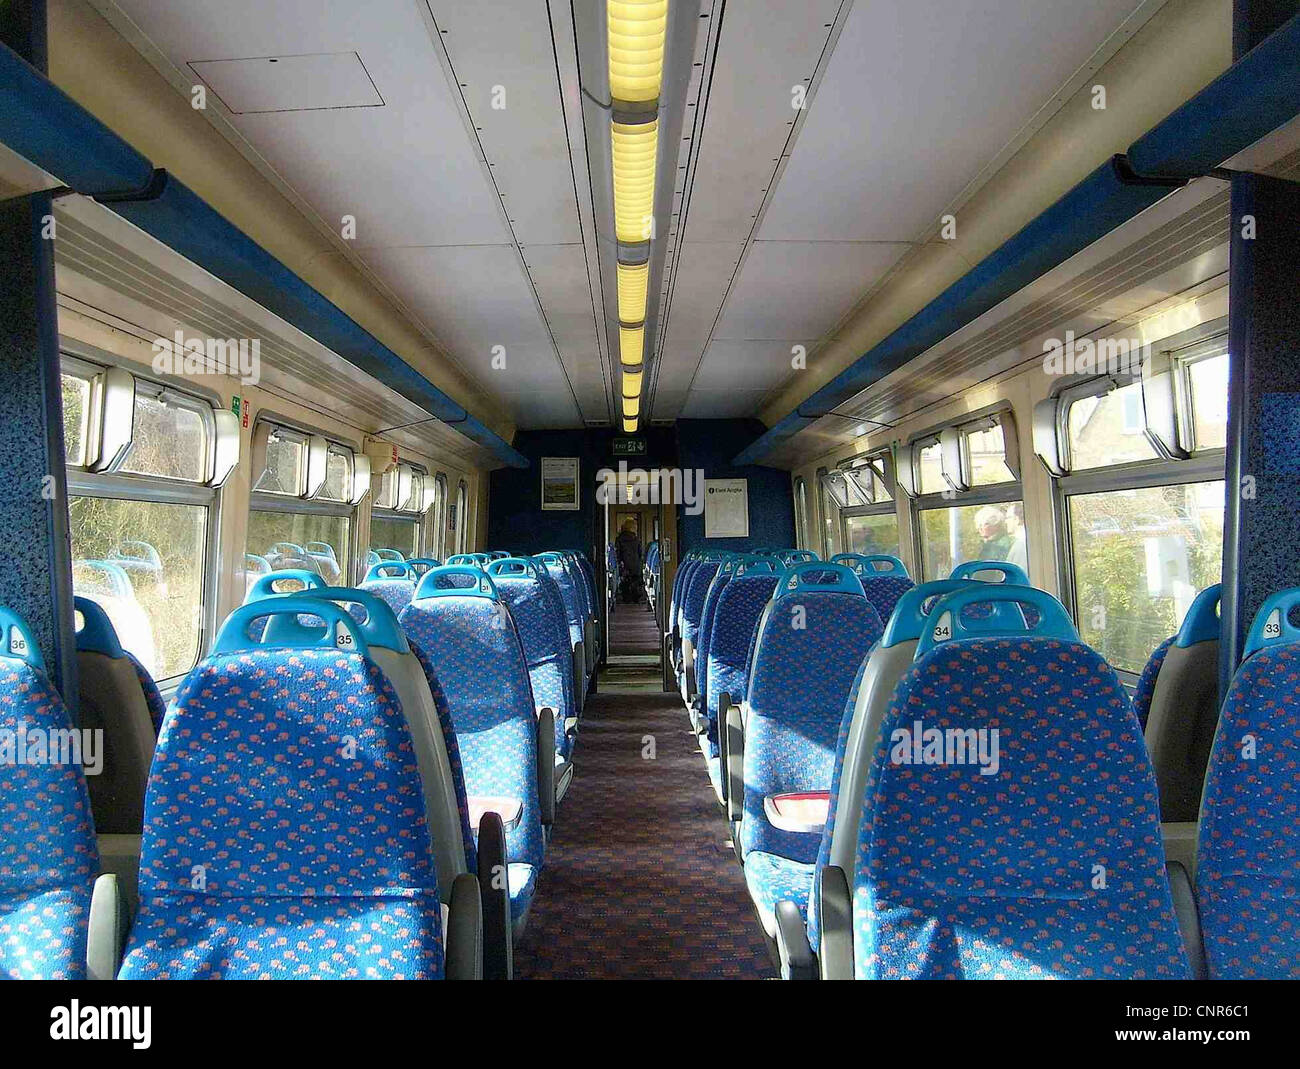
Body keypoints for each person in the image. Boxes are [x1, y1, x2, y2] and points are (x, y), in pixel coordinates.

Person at [615, 519, 643, 603]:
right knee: (635, 582)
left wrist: (620, 562)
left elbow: (618, 553)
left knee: (625, 582)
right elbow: (640, 553)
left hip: (624, 564)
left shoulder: (619, 539)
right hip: (635, 564)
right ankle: (636, 599)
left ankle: (626, 599)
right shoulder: (636, 539)